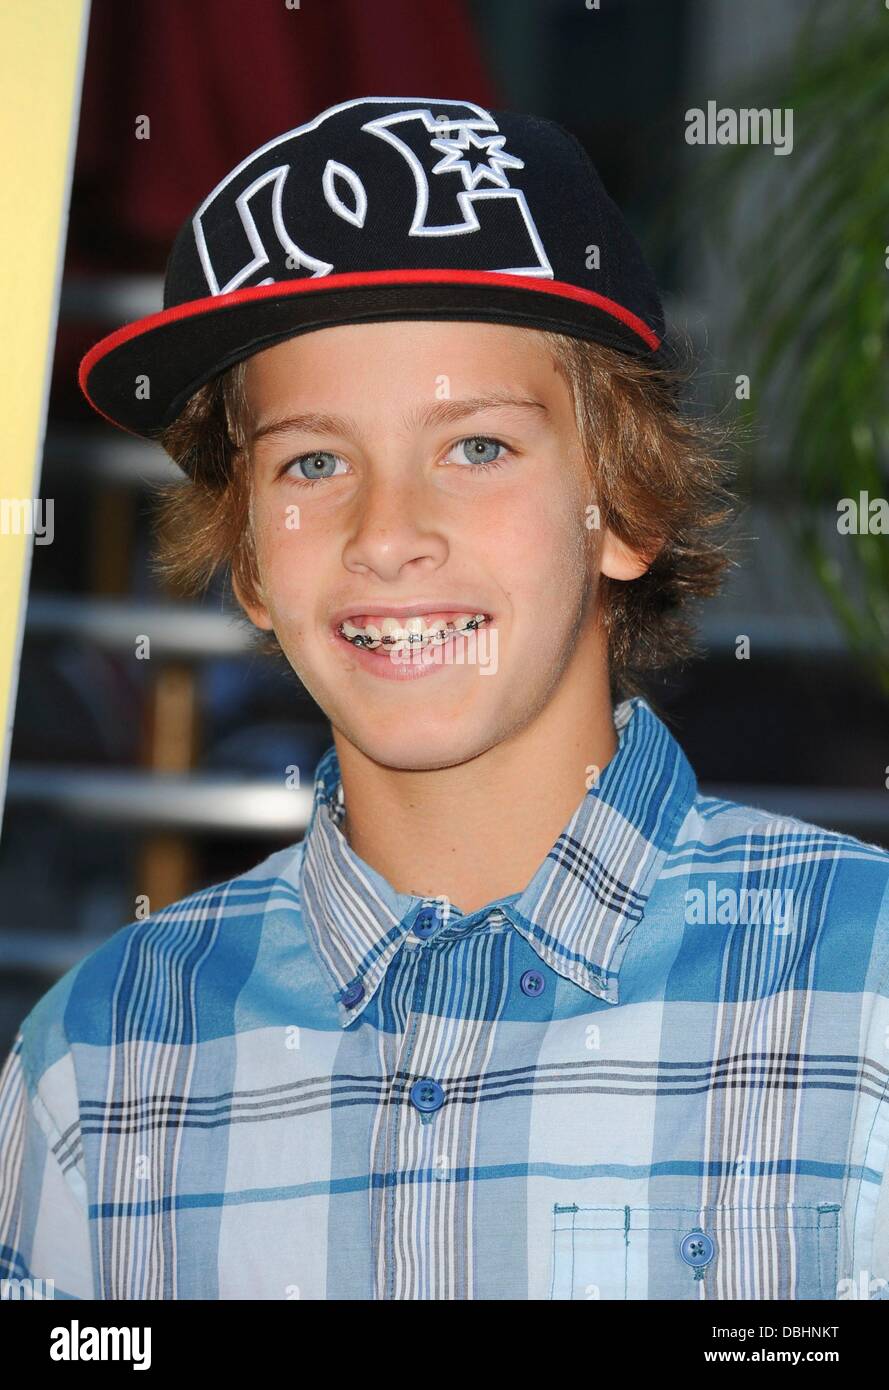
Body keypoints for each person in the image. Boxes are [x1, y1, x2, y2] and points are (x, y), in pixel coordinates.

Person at [1, 96, 887, 1301]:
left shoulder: (862, 999)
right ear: (252, 559)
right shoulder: (92, 1073)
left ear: (626, 502)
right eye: (313, 461)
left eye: (474, 446)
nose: (387, 533)